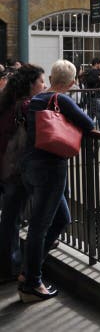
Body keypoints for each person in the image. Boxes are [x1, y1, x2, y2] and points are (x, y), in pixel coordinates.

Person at [19, 60, 94, 302]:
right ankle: (32, 283)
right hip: (50, 169)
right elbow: (89, 124)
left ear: (51, 78)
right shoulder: (62, 100)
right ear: (71, 83)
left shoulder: (38, 100)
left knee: (62, 218)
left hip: (30, 165)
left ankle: (29, 270)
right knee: (39, 227)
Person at [0, 64, 46, 283]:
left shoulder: (7, 103)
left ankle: (8, 263)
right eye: (41, 81)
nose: (44, 85)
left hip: (6, 167)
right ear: (31, 84)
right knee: (14, 217)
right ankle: (12, 266)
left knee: (10, 217)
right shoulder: (27, 107)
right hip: (17, 170)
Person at [83, 57, 100, 131]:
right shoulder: (94, 72)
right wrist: (99, 78)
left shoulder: (89, 71)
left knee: (90, 117)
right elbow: (90, 81)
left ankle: (86, 134)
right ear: (96, 64)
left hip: (91, 97)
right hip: (95, 97)